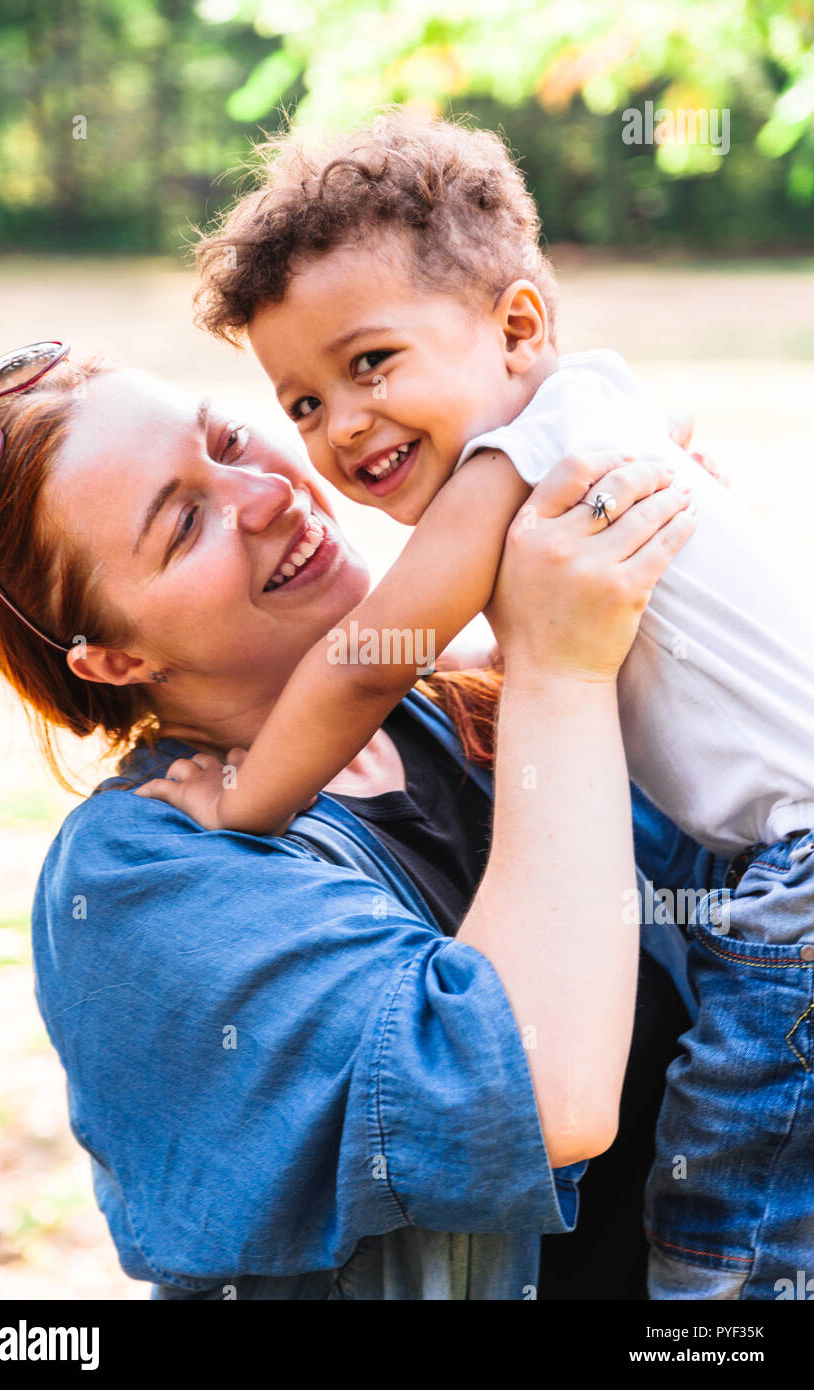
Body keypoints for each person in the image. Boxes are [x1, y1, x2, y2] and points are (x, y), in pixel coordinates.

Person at [142, 111, 814, 1299]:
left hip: (793, 883)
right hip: (765, 865)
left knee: (730, 1220)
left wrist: (241, 799)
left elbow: (375, 654)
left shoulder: (525, 455)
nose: (338, 426)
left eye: (369, 363)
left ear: (516, 327)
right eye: (298, 402)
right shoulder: (594, 417)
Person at [0, 344, 707, 1298]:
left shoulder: (456, 690)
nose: (263, 493)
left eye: (226, 438)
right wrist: (565, 669)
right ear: (114, 659)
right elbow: (535, 1092)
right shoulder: (135, 880)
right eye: (186, 524)